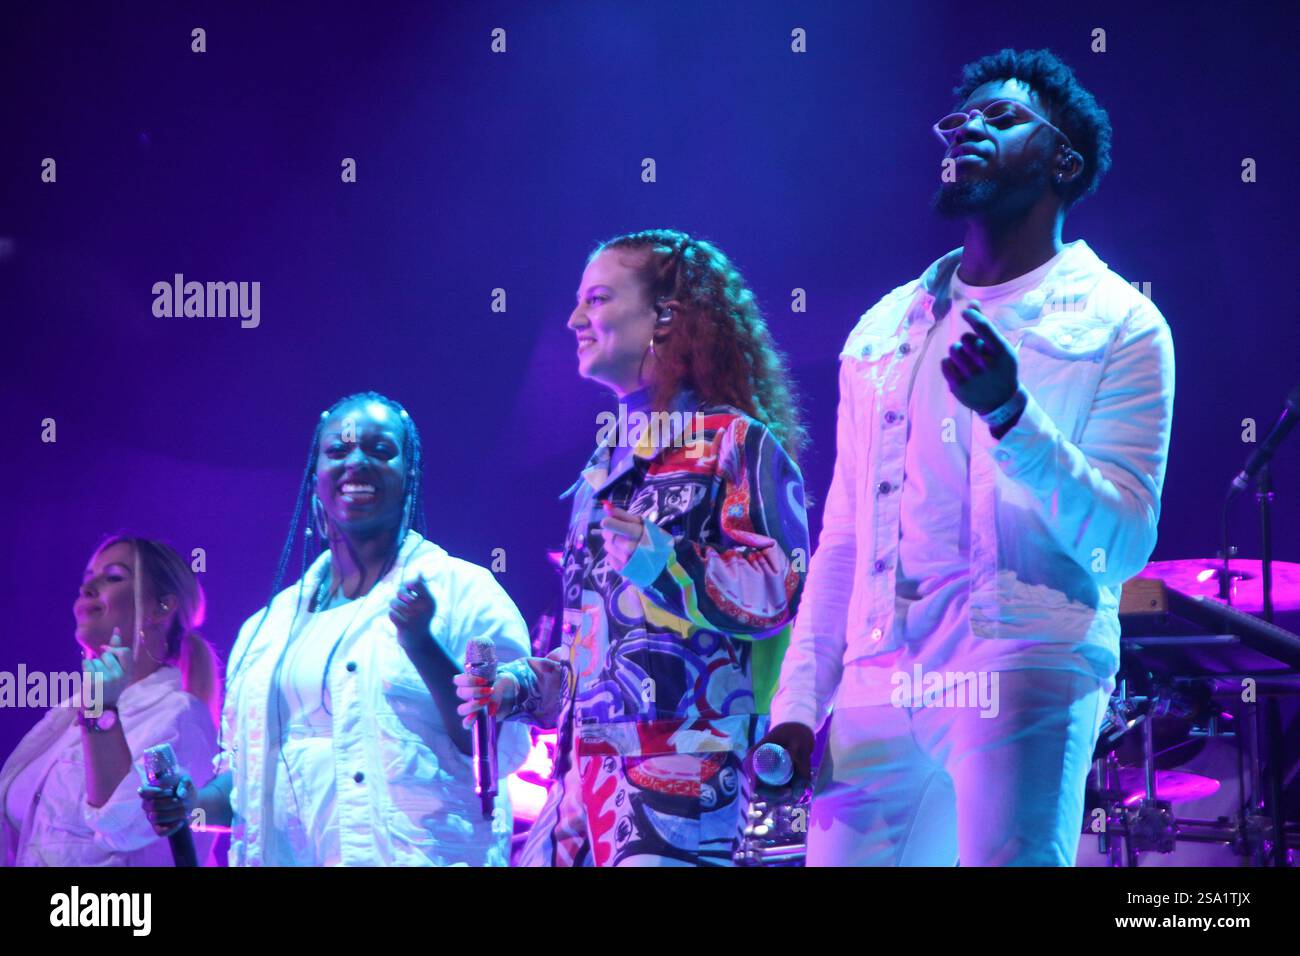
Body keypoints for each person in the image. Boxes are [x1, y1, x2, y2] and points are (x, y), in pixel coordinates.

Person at [762, 48, 1176, 866]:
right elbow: (843, 533)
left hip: (1023, 665)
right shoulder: (886, 328)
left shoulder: (1120, 322)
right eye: (959, 119)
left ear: (1064, 158)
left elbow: (1120, 545)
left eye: (1001, 116)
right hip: (879, 676)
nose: (969, 130)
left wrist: (1012, 416)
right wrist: (801, 702)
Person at [457, 230, 811, 866]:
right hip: (578, 799)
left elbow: (783, 590)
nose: (574, 319)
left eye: (596, 299)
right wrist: (516, 688)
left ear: (665, 317)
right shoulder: (601, 471)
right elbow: (599, 657)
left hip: (682, 785)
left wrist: (666, 566)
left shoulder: (735, 443)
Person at [141, 391, 532, 866]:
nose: (357, 462)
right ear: (316, 478)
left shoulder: (463, 591)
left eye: (380, 450)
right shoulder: (267, 628)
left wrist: (421, 642)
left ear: (409, 477)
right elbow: (244, 783)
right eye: (338, 450)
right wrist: (191, 804)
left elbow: (495, 748)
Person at [1, 534, 221, 866]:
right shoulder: (64, 718)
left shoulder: (180, 716)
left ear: (162, 606)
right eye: (87, 580)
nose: (86, 590)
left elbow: (124, 826)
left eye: (113, 577)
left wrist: (102, 712)